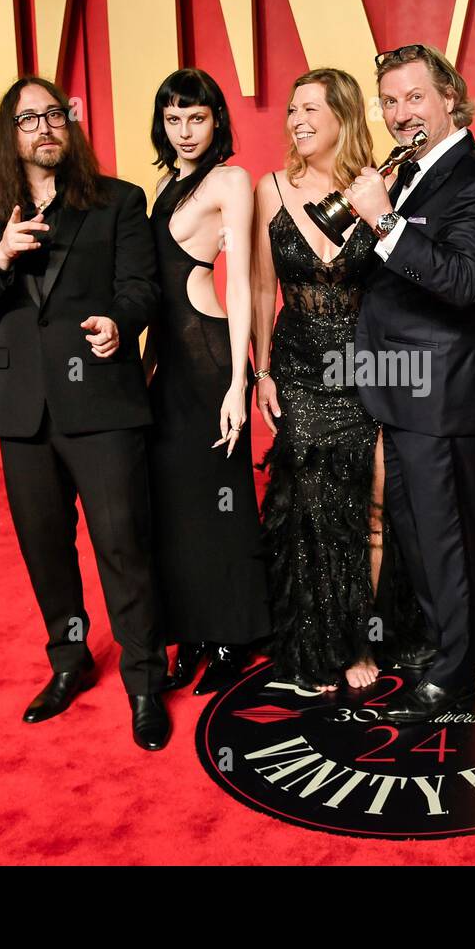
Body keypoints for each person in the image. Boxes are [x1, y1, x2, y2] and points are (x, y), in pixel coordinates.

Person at [0, 75, 170, 752]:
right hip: (23, 409)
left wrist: (118, 322)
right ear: (10, 138)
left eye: (54, 115)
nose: (44, 127)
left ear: (68, 127)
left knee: (122, 544)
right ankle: (69, 662)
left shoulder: (118, 202)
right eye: (28, 119)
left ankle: (143, 680)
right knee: (45, 549)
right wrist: (1, 259)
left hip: (101, 399)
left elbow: (143, 289)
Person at [344, 44, 475, 723]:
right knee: (415, 531)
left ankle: (455, 672)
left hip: (443, 394)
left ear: (450, 98)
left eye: (414, 97)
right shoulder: (413, 170)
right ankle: (439, 646)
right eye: (389, 101)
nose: (399, 112)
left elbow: (465, 283)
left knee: (446, 538)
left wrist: (383, 220)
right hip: (401, 389)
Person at [251, 68, 423, 692]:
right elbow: (261, 285)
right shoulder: (270, 189)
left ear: (344, 118)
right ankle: (322, 640)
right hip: (297, 367)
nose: (296, 119)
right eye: (292, 109)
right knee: (315, 513)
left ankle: (366, 637)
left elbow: (405, 273)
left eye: (310, 109)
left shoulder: (379, 185)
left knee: (374, 507)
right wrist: (260, 370)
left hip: (366, 368)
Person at [144, 68, 271, 697]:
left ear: (217, 119)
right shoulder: (164, 182)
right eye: (173, 118)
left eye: (196, 117)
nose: (185, 130)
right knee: (175, 502)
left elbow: (244, 280)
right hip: (166, 363)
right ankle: (192, 631)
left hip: (209, 359)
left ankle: (231, 635)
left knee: (220, 496)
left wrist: (237, 383)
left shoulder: (230, 180)